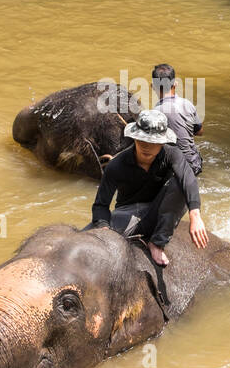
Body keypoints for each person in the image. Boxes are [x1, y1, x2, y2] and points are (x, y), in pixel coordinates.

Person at [89, 109, 209, 266]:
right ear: (134, 138)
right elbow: (101, 205)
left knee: (178, 183)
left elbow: (189, 179)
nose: (146, 147)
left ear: (162, 143)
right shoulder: (116, 165)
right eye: (142, 141)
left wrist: (195, 214)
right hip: (128, 214)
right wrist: (103, 230)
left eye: (153, 142)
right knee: (86, 240)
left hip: (158, 211)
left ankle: (158, 243)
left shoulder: (172, 154)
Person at [151, 63, 203, 175]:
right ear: (175, 84)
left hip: (175, 169)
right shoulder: (188, 104)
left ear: (153, 86)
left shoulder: (156, 111)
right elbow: (199, 131)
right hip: (195, 164)